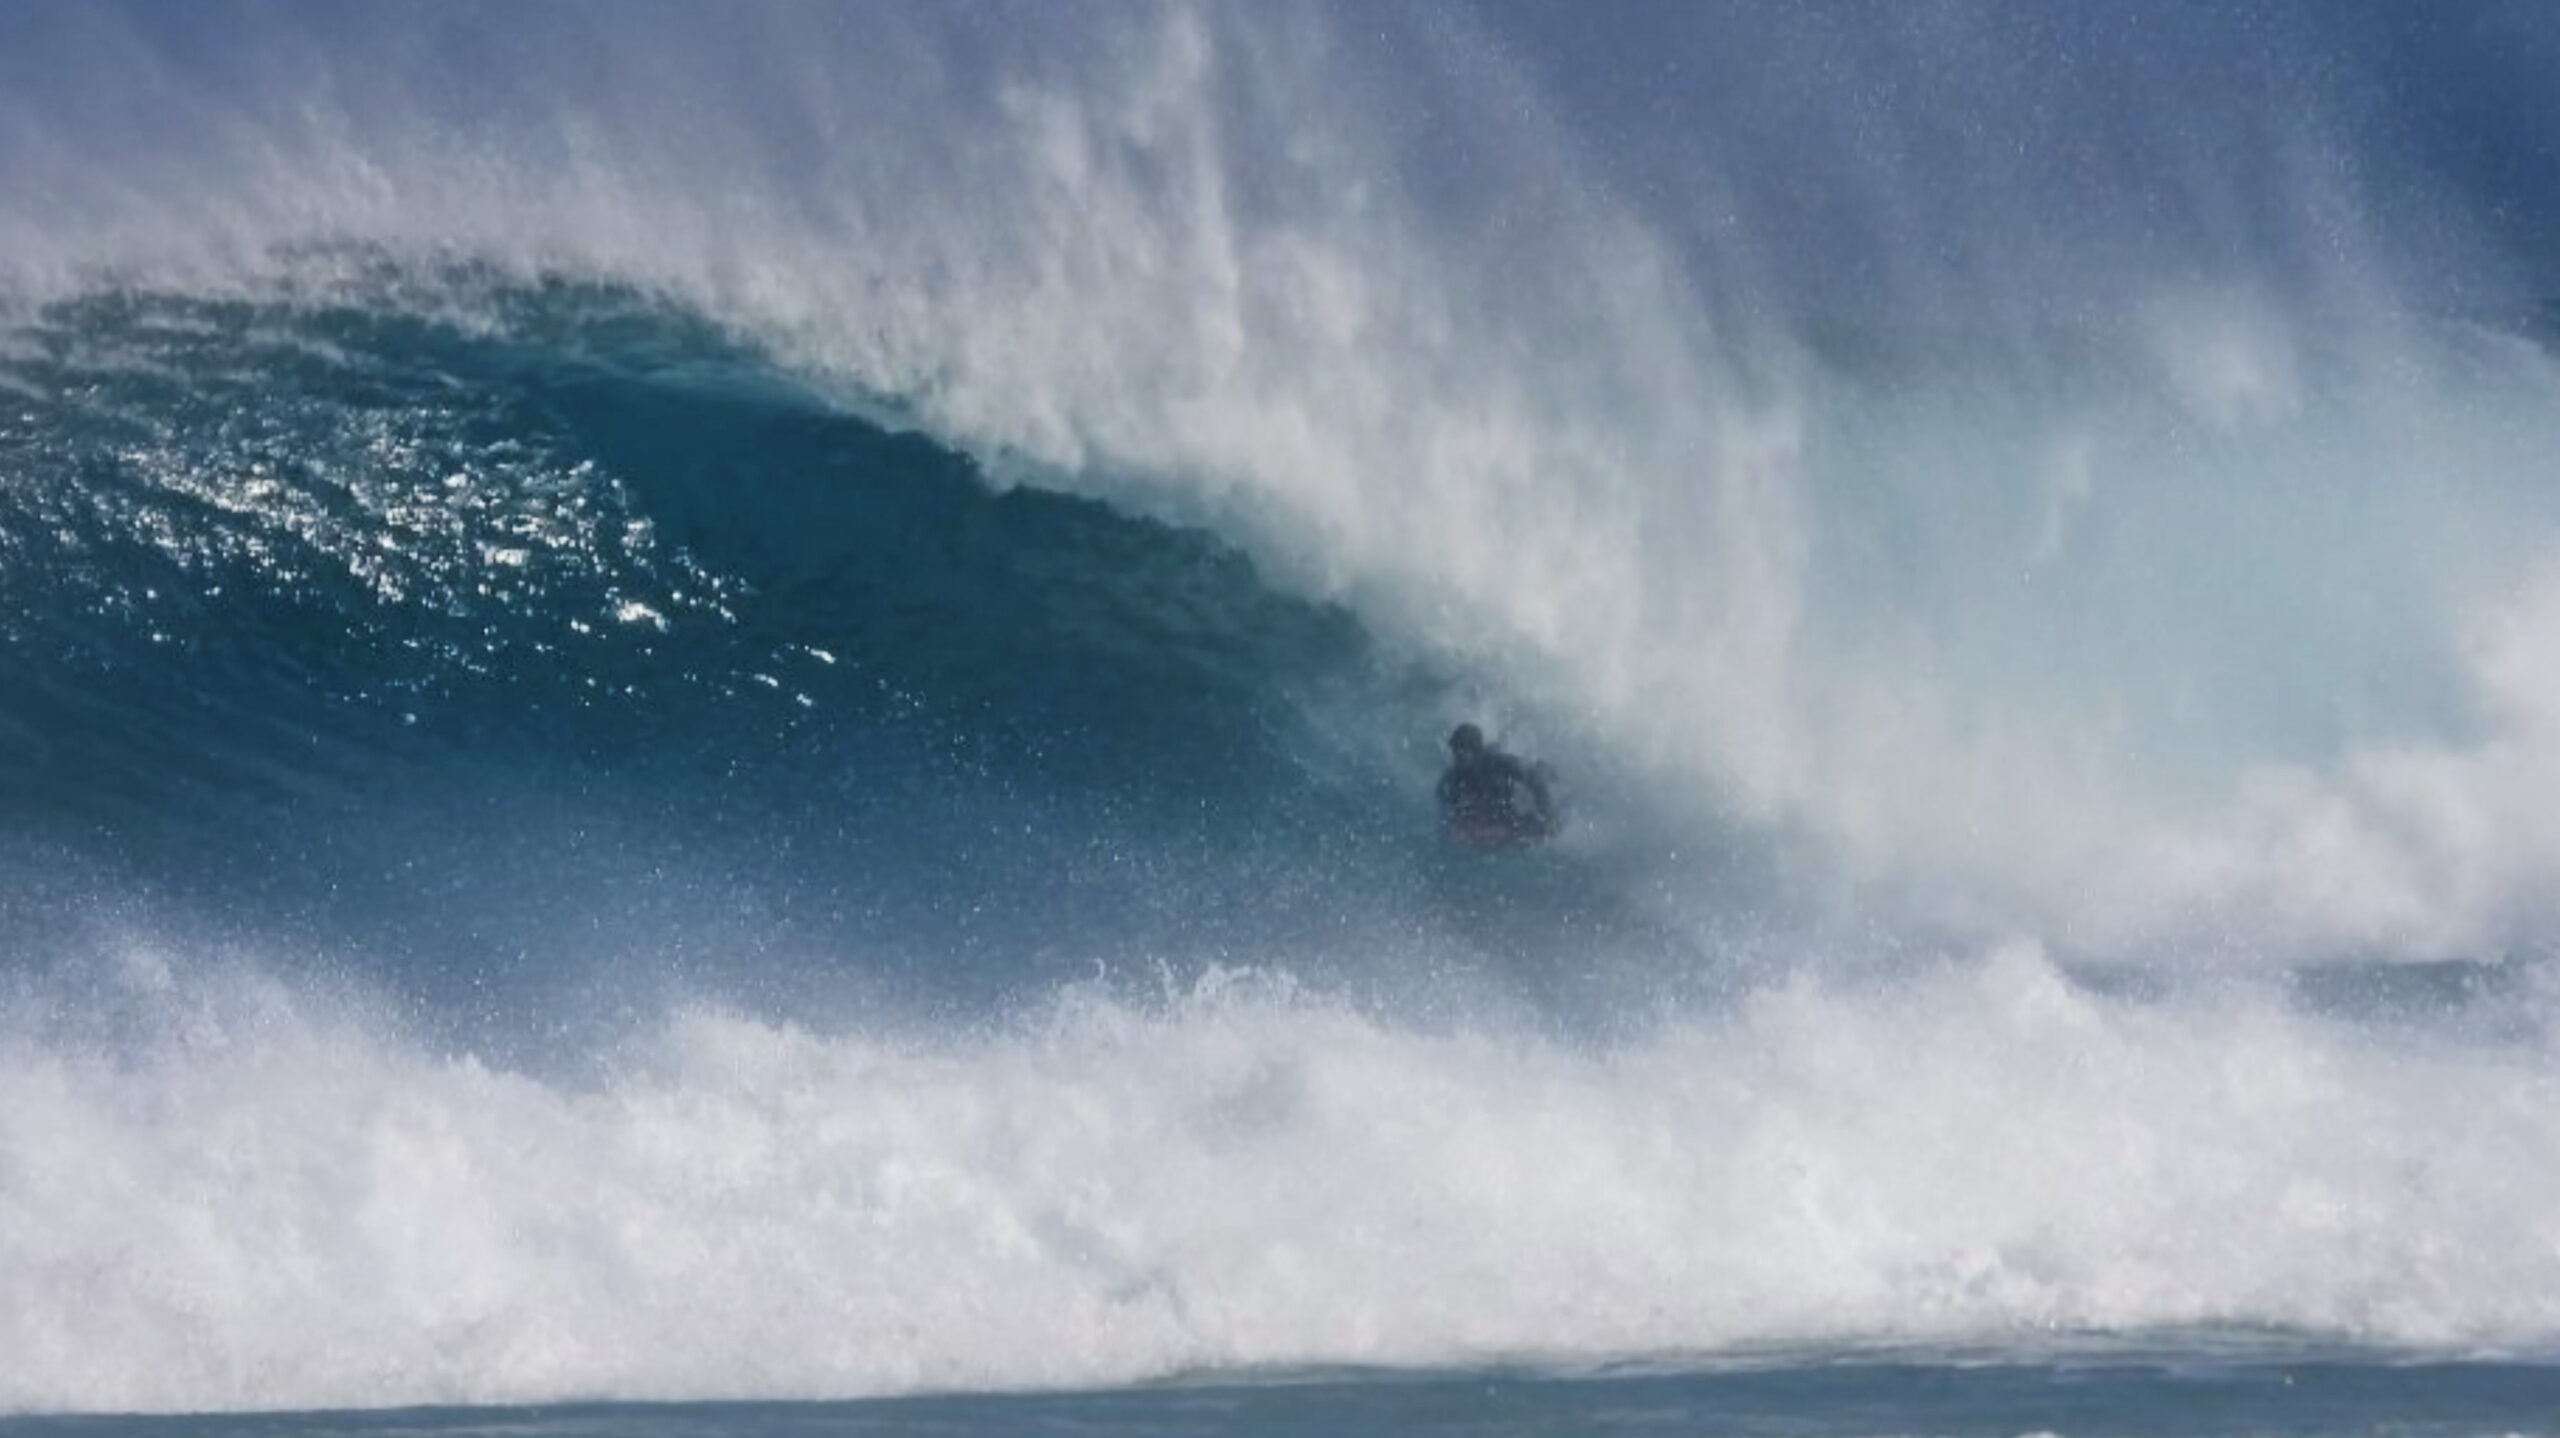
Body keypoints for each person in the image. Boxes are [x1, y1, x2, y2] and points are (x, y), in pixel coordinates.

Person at [1437, 722, 1557, 849]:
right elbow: (1445, 806)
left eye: (1461, 751)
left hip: (1508, 807)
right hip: (1490, 811)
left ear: (1475, 751)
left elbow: (1534, 777)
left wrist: (1547, 815)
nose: (1456, 756)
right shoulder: (1451, 777)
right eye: (1455, 751)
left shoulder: (1497, 763)